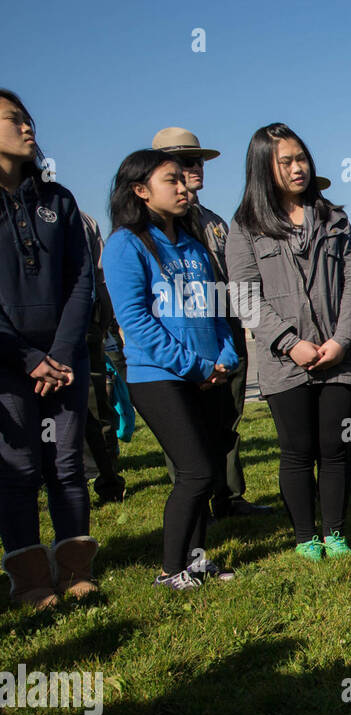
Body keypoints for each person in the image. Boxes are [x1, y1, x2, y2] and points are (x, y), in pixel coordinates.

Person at [101, 149, 242, 588]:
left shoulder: (194, 245)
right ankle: (170, 570)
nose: (184, 188)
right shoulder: (125, 244)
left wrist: (226, 356)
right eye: (171, 181)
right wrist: (195, 367)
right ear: (140, 191)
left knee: (207, 470)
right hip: (159, 377)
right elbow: (136, 323)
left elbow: (217, 308)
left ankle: (197, 562)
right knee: (196, 471)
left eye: (184, 180)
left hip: (207, 373)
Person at [226, 124, 351, 561]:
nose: (297, 167)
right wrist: (289, 343)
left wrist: (342, 341)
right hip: (285, 362)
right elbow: (245, 299)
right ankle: (306, 536)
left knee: (336, 447)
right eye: (285, 161)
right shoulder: (245, 227)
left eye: (301, 157)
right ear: (263, 168)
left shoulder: (334, 218)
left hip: (336, 357)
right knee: (297, 451)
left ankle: (335, 531)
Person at [0, 89, 96, 608]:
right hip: (7, 363)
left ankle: (76, 567)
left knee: (65, 464)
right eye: (13, 120)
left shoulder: (58, 200)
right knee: (17, 469)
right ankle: (30, 579)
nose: (27, 127)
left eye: (27, 118)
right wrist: (27, 358)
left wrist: (59, 351)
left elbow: (82, 279)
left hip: (66, 358)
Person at [152, 126, 270, 519]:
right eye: (185, 161)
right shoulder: (154, 226)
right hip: (183, 332)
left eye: (198, 159)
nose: (196, 166)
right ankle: (193, 500)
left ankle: (229, 497)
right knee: (186, 423)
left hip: (228, 329)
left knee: (226, 418)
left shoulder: (216, 220)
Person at [80, 210, 128, 503]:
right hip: (21, 332)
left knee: (97, 409)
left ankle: (107, 481)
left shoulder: (81, 219)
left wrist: (101, 323)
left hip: (84, 327)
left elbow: (100, 278)